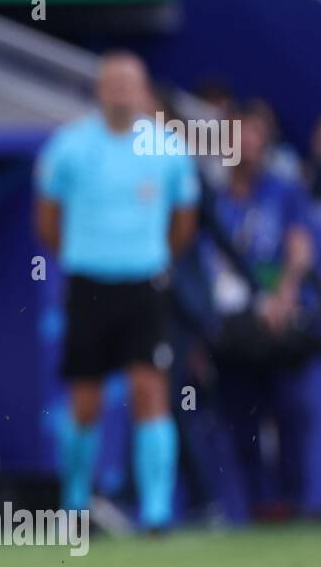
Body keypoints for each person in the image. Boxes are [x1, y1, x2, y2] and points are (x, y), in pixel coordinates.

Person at [34, 51, 199, 531]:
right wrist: (86, 253)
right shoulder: (69, 147)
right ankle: (75, 504)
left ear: (144, 89)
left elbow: (183, 222)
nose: (123, 91)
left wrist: (150, 256)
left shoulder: (167, 147)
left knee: (150, 390)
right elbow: (47, 220)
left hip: (144, 285)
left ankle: (156, 511)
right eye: (114, 82)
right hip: (88, 284)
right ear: (100, 89)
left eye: (131, 82)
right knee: (86, 398)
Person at [201, 110, 315, 520]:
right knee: (238, 415)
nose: (246, 145)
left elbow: (300, 246)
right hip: (230, 324)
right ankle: (255, 505)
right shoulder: (212, 195)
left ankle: (292, 499)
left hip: (277, 319)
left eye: (254, 136)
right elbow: (199, 259)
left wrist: (285, 294)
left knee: (291, 408)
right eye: (238, 136)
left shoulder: (284, 190)